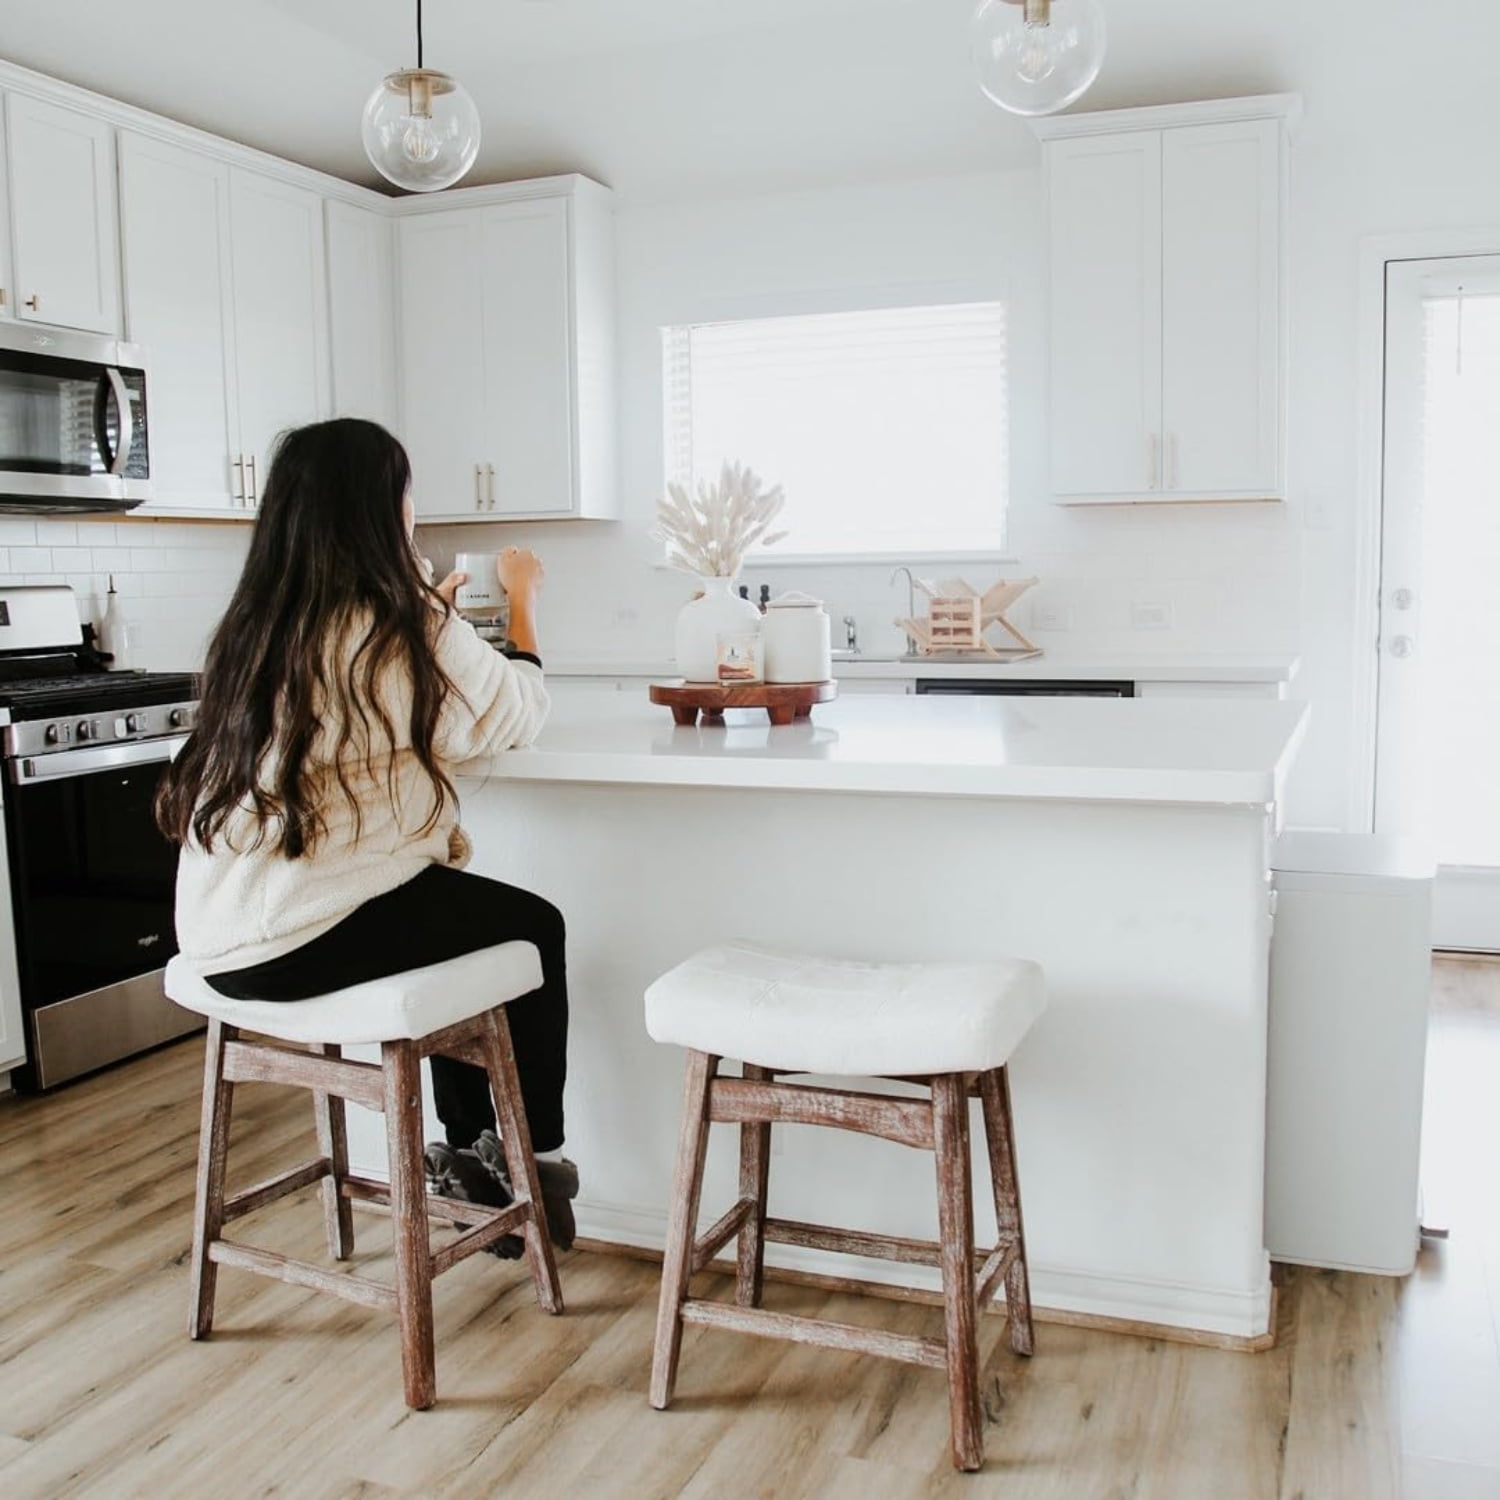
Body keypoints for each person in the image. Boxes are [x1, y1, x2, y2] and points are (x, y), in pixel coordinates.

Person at [156, 417, 576, 1253]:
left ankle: (470, 1161)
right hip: (309, 932)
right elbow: (514, 714)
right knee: (534, 925)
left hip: (221, 940)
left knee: (458, 931)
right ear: (385, 509)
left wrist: (435, 621)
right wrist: (520, 605)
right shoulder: (396, 620)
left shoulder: (258, 624)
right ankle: (535, 1164)